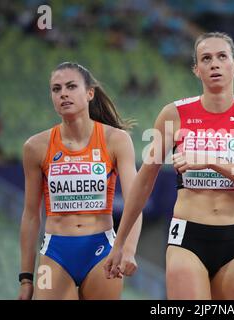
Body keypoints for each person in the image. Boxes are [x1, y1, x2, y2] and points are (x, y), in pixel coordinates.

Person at [104, 32, 234, 299]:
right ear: (197, 69)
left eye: (222, 57)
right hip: (188, 237)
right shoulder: (174, 114)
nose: (214, 64)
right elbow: (144, 180)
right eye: (206, 59)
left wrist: (211, 161)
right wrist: (121, 243)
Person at [18, 62, 142, 300]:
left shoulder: (116, 140)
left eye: (71, 86)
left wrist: (128, 250)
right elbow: (31, 214)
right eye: (56, 89)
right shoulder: (35, 147)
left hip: (102, 250)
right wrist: (25, 278)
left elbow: (135, 202)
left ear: (89, 93)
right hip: (55, 252)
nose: (63, 93)